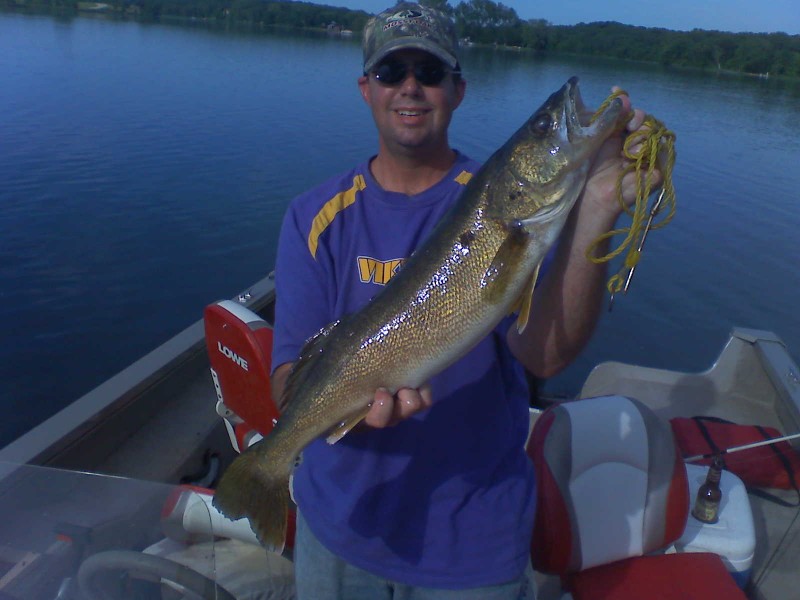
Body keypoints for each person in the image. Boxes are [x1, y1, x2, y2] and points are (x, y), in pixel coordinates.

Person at [270, 2, 657, 598]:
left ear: (457, 90)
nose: (410, 87)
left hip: (472, 541)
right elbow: (288, 376)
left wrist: (599, 209)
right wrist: (320, 420)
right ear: (366, 88)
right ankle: (263, 471)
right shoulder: (314, 218)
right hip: (340, 526)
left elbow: (545, 358)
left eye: (429, 71)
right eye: (391, 70)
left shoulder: (506, 207)